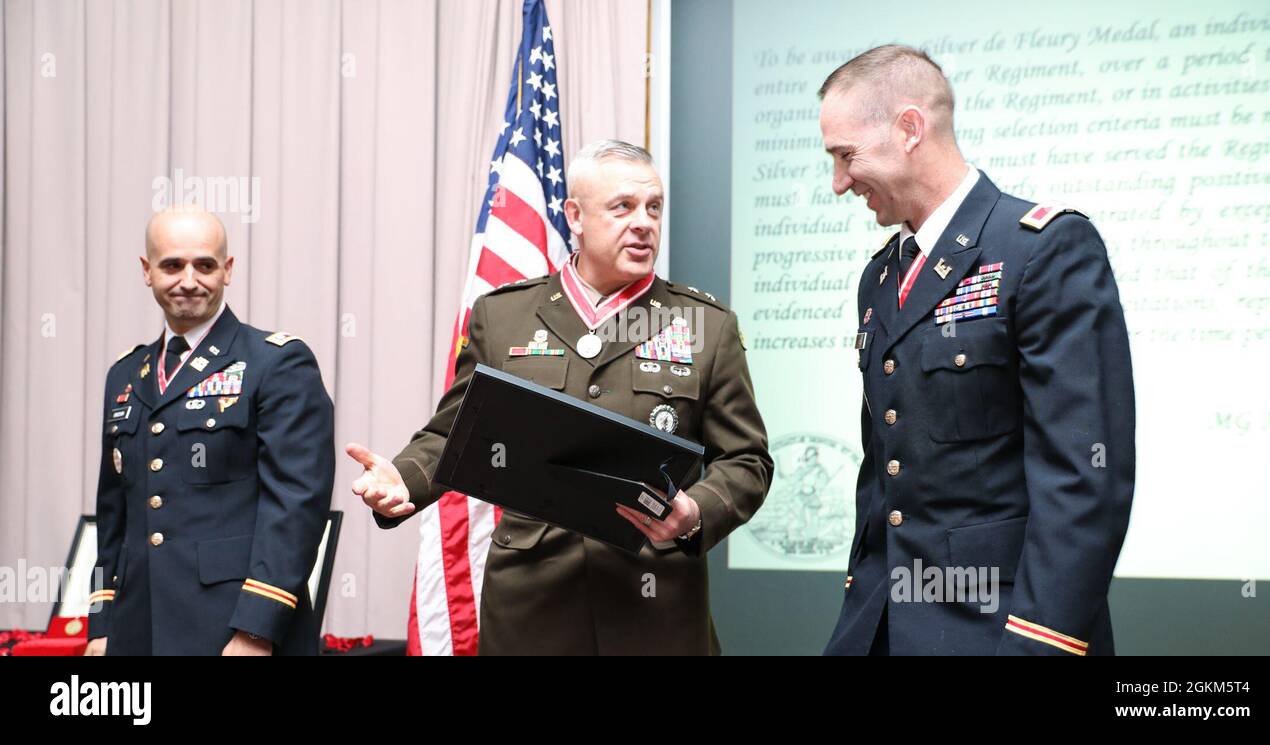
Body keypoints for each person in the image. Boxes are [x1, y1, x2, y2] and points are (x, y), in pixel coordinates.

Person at [347, 140, 772, 655]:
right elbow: (455, 433)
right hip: (532, 606)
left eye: (654, 207)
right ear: (575, 215)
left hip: (654, 607)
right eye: (622, 207)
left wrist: (697, 511)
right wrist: (404, 480)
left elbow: (746, 460)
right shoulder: (504, 316)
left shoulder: (705, 325)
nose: (643, 222)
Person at [817, 45, 1136, 655]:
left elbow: (1084, 478)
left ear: (910, 128)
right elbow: (886, 472)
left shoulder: (1044, 250)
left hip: (995, 631)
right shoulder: (881, 276)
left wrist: (1042, 642)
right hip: (881, 622)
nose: (838, 183)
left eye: (846, 155)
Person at [86, 204, 334, 656]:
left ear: (228, 269)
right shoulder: (124, 375)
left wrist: (256, 630)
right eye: (171, 265)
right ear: (147, 271)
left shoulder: (276, 363)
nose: (188, 280)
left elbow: (296, 508)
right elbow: (112, 515)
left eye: (204, 265)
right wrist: (103, 622)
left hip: (234, 628)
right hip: (137, 628)